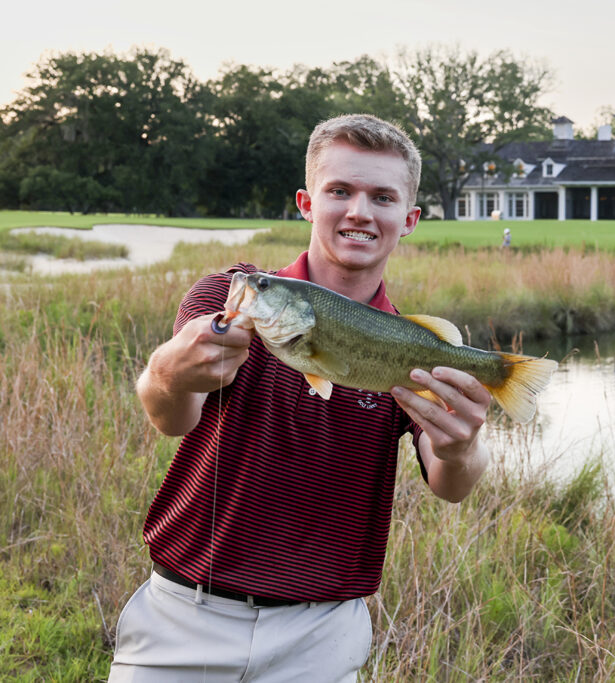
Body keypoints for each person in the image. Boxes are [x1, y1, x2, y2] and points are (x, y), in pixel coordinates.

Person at [109, 114, 492, 681]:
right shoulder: (228, 296)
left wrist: (464, 448)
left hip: (322, 633)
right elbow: (172, 418)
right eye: (339, 191)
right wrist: (164, 374)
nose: (359, 211)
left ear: (408, 219)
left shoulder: (408, 344)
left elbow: (450, 484)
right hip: (185, 614)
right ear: (307, 203)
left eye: (382, 197)